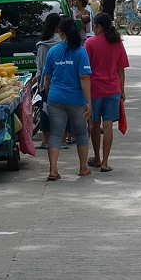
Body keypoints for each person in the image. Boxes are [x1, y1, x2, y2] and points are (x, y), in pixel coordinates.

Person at [43, 17, 92, 179]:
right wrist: (89, 101)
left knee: (56, 134)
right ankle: (83, 168)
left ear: (61, 32)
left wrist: (50, 96)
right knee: (81, 133)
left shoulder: (53, 51)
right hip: (76, 99)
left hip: (55, 98)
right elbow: (84, 77)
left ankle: (53, 170)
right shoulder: (80, 51)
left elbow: (47, 78)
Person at [85, 12, 129, 173]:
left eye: (94, 26)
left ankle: (96, 157)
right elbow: (121, 70)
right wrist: (122, 90)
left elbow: (85, 70)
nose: (93, 29)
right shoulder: (117, 43)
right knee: (108, 126)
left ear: (99, 27)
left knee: (94, 125)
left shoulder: (90, 43)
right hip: (113, 89)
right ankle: (104, 162)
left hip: (95, 89)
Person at [35, 13, 63, 150]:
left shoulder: (43, 44)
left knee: (46, 111)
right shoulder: (63, 42)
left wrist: (40, 83)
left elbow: (41, 68)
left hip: (48, 82)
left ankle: (46, 140)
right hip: (63, 82)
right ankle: (62, 140)